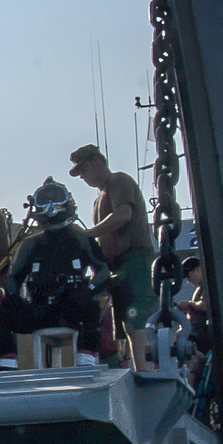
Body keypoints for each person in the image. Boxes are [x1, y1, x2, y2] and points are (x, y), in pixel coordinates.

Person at [0, 177, 110, 366]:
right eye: (44, 201)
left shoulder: (82, 238)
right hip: (40, 309)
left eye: (56, 200)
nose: (50, 208)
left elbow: (102, 270)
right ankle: (8, 367)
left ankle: (85, 361)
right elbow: (15, 278)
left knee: (91, 307)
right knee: (1, 316)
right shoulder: (31, 244)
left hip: (73, 308)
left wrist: (90, 289)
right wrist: (12, 297)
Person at [70, 143, 152, 346]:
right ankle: (139, 367)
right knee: (127, 326)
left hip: (133, 261)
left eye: (84, 169)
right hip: (117, 267)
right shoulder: (99, 198)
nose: (82, 176)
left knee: (137, 321)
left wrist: (87, 234)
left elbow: (123, 214)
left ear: (97, 161)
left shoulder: (119, 181)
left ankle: (147, 369)